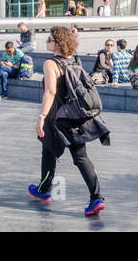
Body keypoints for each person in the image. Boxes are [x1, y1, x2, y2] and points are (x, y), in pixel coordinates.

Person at [30, 26, 106, 218]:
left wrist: (41, 118)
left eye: (49, 39)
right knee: (80, 157)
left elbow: (50, 92)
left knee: (48, 149)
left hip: (58, 117)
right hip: (77, 115)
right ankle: (96, 198)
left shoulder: (50, 64)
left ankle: (45, 190)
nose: (46, 42)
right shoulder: (74, 59)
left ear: (56, 44)